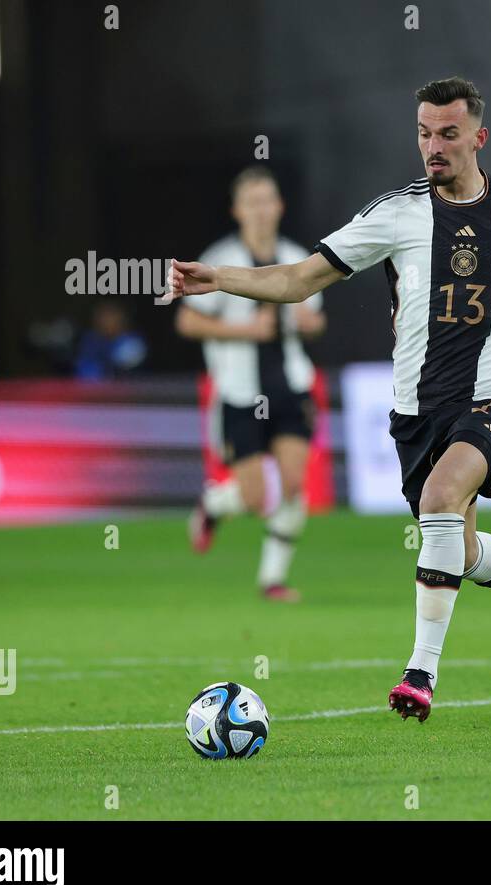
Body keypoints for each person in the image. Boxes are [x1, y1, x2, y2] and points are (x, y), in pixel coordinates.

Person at [167, 77, 491, 722]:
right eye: (425, 134)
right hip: (416, 413)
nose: (434, 146)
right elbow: (298, 280)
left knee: (438, 498)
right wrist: (221, 279)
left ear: (479, 138)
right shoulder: (395, 215)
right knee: (454, 547)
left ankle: (419, 675)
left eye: (449, 134)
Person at [177, 166, 325, 603]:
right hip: (240, 392)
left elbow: (317, 320)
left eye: (268, 200)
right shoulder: (220, 260)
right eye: (252, 202)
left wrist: (306, 321)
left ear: (279, 206)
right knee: (255, 496)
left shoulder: (299, 257)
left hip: (290, 386)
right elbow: (186, 319)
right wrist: (245, 332)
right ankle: (213, 505)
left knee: (296, 485)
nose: (261, 210)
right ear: (237, 211)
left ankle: (272, 580)